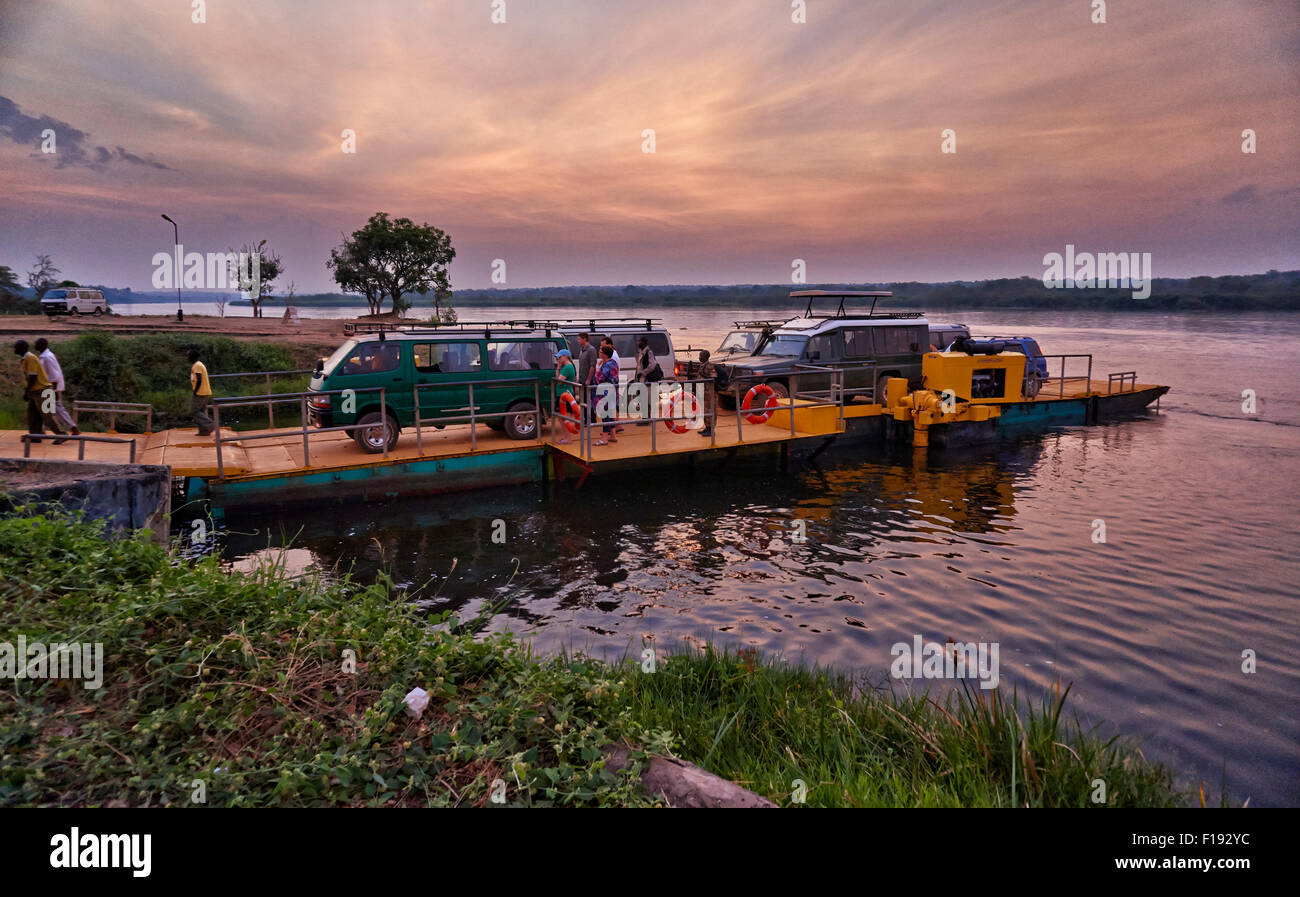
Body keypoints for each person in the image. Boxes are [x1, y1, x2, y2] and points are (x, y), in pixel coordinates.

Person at [14, 339, 63, 439]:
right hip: (35, 391)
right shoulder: (25, 358)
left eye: (16, 347)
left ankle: (62, 435)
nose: (14, 349)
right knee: (32, 415)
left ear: (22, 348)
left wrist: (26, 391)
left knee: (47, 416)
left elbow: (33, 376)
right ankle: (35, 435)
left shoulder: (30, 358)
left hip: (44, 390)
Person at [34, 338, 80, 438]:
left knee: (56, 409)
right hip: (48, 386)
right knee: (45, 409)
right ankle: (42, 430)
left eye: (36, 344)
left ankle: (73, 427)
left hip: (51, 387)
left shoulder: (47, 357)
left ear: (42, 345)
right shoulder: (45, 356)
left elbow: (54, 374)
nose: (34, 345)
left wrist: (53, 389)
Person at [593, 344, 619, 445]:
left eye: (600, 352)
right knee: (610, 414)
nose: (599, 353)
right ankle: (613, 435)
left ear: (604, 354)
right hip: (612, 392)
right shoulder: (613, 363)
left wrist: (597, 367)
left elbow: (600, 378)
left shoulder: (607, 365)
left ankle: (604, 439)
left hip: (605, 393)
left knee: (605, 415)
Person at [188, 349, 214, 436]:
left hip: (200, 393)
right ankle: (204, 431)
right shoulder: (198, 365)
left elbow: (199, 379)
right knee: (201, 411)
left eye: (188, 356)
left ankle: (210, 424)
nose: (187, 358)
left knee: (194, 411)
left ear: (192, 357)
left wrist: (196, 391)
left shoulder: (197, 366)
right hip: (204, 392)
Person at [554, 349, 576, 444]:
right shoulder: (564, 366)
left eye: (560, 357)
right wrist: (558, 367)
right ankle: (566, 437)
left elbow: (559, 381)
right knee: (561, 417)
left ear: (565, 357)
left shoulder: (568, 367)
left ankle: (568, 438)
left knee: (564, 417)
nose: (558, 359)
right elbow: (557, 378)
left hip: (565, 395)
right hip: (562, 394)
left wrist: (559, 369)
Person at [576, 333, 599, 423]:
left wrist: (589, 379)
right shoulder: (582, 350)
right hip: (582, 379)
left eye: (579, 339)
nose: (578, 341)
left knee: (589, 400)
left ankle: (592, 419)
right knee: (583, 400)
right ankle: (586, 418)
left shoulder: (591, 350)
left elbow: (592, 365)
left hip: (588, 380)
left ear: (584, 339)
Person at [697, 349, 717, 438]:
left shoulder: (709, 366)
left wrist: (705, 376)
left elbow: (713, 377)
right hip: (703, 391)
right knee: (704, 410)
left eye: (701, 356)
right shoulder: (702, 366)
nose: (699, 357)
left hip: (709, 392)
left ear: (705, 357)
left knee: (710, 410)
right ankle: (707, 427)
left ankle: (711, 429)